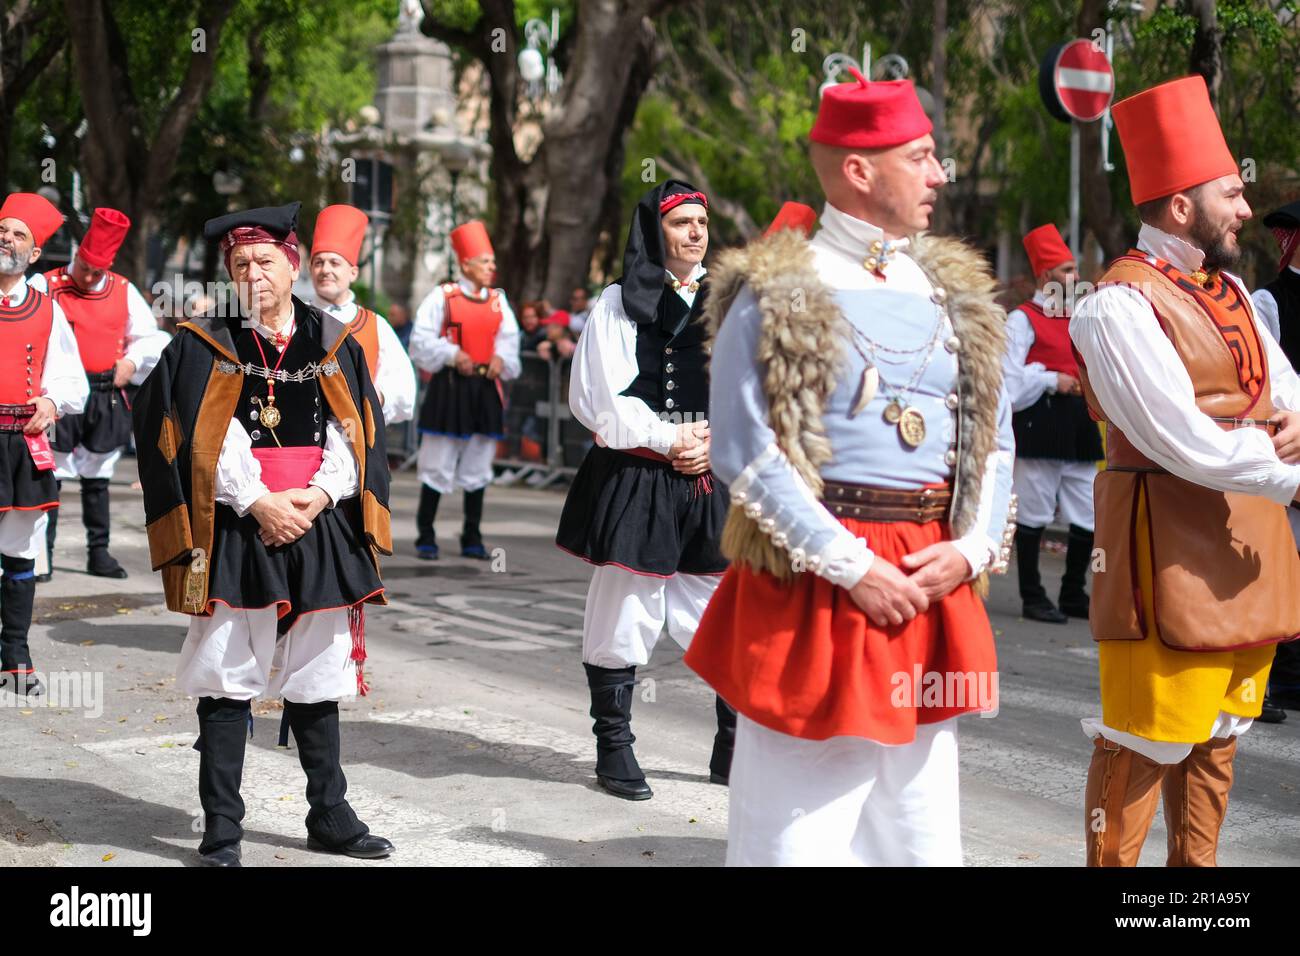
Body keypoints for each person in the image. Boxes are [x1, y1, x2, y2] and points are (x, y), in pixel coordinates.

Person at [683, 69, 1016, 865]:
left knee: (920, 835)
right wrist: (851, 566)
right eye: (924, 156)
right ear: (862, 170)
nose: (940, 174)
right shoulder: (773, 288)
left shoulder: (954, 292)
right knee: (795, 837)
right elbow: (743, 450)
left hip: (931, 577)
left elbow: (995, 439)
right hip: (819, 582)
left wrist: (969, 551)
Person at [1070, 76, 1300, 867]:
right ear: (1179, 206)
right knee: (1146, 739)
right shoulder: (1116, 306)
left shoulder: (1233, 289)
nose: (1245, 210)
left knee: (1219, 738)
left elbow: (1284, 393)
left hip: (1248, 545)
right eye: (1233, 194)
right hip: (1162, 547)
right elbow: (1181, 441)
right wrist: (1289, 469)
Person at [132, 201, 394, 866]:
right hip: (238, 528)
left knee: (318, 673)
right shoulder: (200, 344)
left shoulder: (333, 340)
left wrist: (318, 493)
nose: (253, 272)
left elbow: (358, 430)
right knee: (227, 676)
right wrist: (254, 500)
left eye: (265, 260)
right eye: (239, 264)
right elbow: (190, 434)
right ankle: (222, 827)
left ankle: (328, 815)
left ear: (294, 264)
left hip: (316, 519)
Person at [557, 180, 737, 800]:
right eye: (681, 222)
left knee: (722, 609)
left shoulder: (732, 300)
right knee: (625, 610)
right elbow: (595, 396)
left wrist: (718, 443)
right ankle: (615, 748)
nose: (695, 232)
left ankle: (732, 747)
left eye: (701, 222)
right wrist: (669, 441)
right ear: (654, 232)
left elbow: (755, 391)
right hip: (638, 474)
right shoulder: (618, 301)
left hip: (712, 474)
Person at [39, 207, 169, 581]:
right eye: (85, 267)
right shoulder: (45, 285)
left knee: (97, 477)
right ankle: (42, 557)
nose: (90, 276)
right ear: (76, 255)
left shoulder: (123, 290)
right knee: (54, 475)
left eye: (97, 271)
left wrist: (131, 361)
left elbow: (151, 339)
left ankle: (99, 553)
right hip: (59, 396)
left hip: (105, 394)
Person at [0, 193, 88, 696]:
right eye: (3, 229)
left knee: (19, 552)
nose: (6, 239)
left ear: (34, 255)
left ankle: (15, 655)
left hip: (22, 443)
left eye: (18, 235)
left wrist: (52, 403)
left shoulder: (47, 311)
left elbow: (71, 381)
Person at [1003, 224, 1102, 623]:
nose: (1074, 278)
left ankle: (1073, 593)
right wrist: (1049, 379)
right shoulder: (1021, 320)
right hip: (1039, 423)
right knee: (1034, 510)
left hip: (1077, 423)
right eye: (1065, 271)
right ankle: (1032, 595)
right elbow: (1007, 383)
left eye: (1074, 270)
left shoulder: (1078, 315)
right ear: (1045, 278)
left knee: (1088, 512)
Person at [409, 221, 521, 559]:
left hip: (484, 387)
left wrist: (502, 358)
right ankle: (425, 534)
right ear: (466, 264)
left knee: (478, 462)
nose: (492, 267)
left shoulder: (499, 302)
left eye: (492, 262)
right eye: (485, 261)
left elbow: (509, 341)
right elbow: (420, 340)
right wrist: (451, 354)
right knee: (437, 459)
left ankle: (472, 535)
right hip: (451, 386)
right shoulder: (443, 297)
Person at [1252, 198, 1300, 722]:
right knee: (1276, 570)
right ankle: (1267, 682)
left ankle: (1290, 678)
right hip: (1285, 448)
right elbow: (1268, 383)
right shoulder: (1270, 300)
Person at [308, 203, 416, 426]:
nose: (325, 269)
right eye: (318, 263)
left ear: (353, 272)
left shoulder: (376, 325)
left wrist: (378, 396)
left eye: (334, 263)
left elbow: (404, 389)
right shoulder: (295, 319)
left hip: (358, 442)